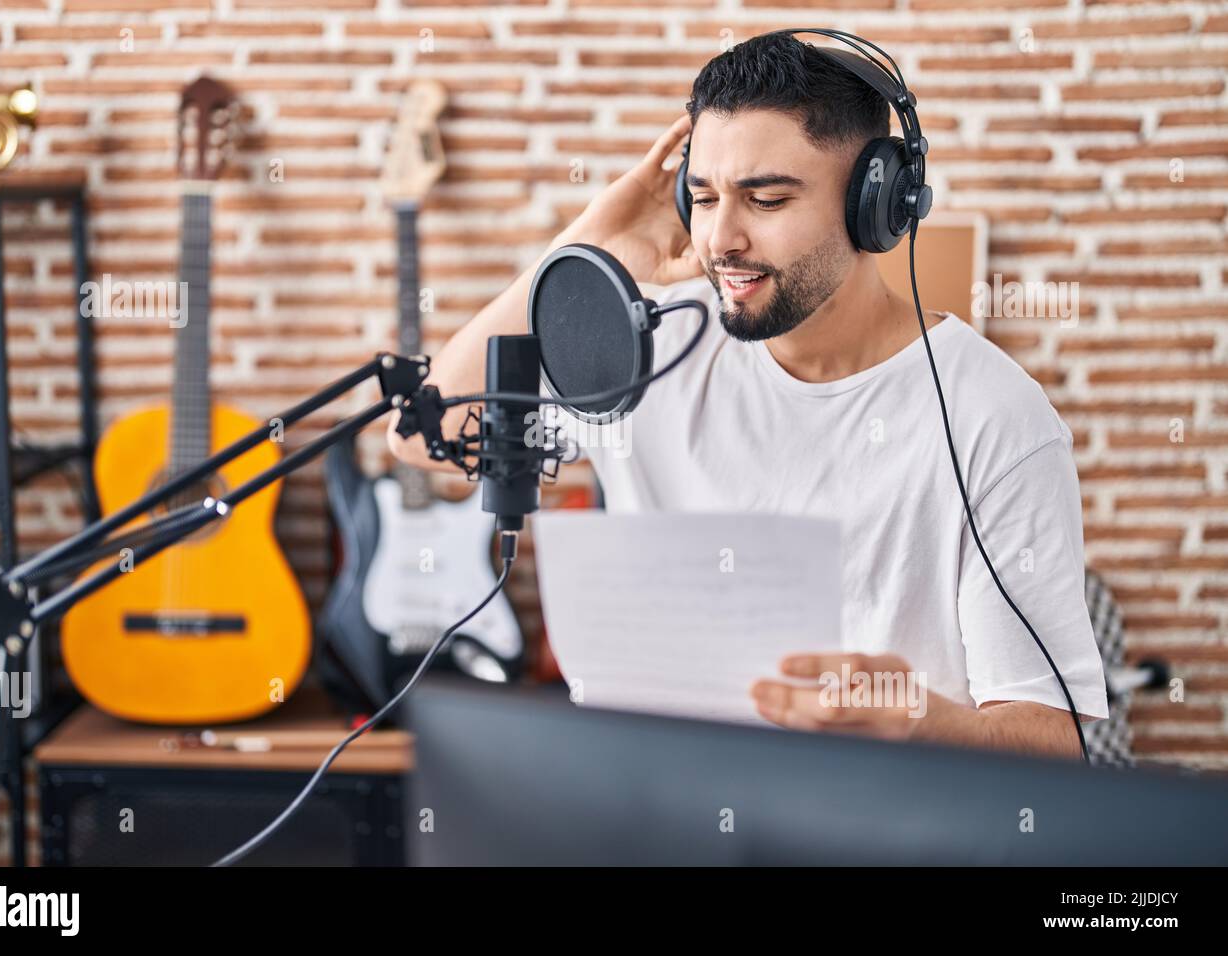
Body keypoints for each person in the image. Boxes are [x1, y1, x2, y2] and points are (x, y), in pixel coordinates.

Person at [388, 33, 1108, 758]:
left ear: (876, 203)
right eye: (701, 198)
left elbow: (1054, 741)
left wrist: (917, 723)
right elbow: (424, 437)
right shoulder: (650, 348)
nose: (719, 239)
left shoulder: (993, 418)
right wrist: (590, 244)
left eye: (765, 198)